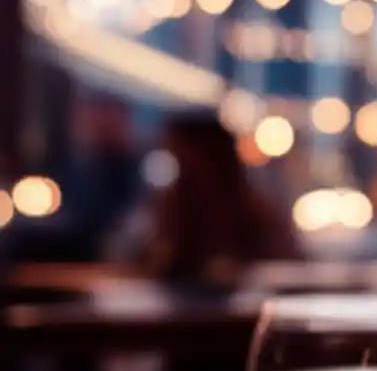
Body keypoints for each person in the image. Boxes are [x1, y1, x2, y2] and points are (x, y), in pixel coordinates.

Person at [111, 113, 297, 287]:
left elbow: (283, 271)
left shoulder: (256, 214)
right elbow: (130, 258)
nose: (182, 166)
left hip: (238, 316)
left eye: (181, 155)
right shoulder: (167, 207)